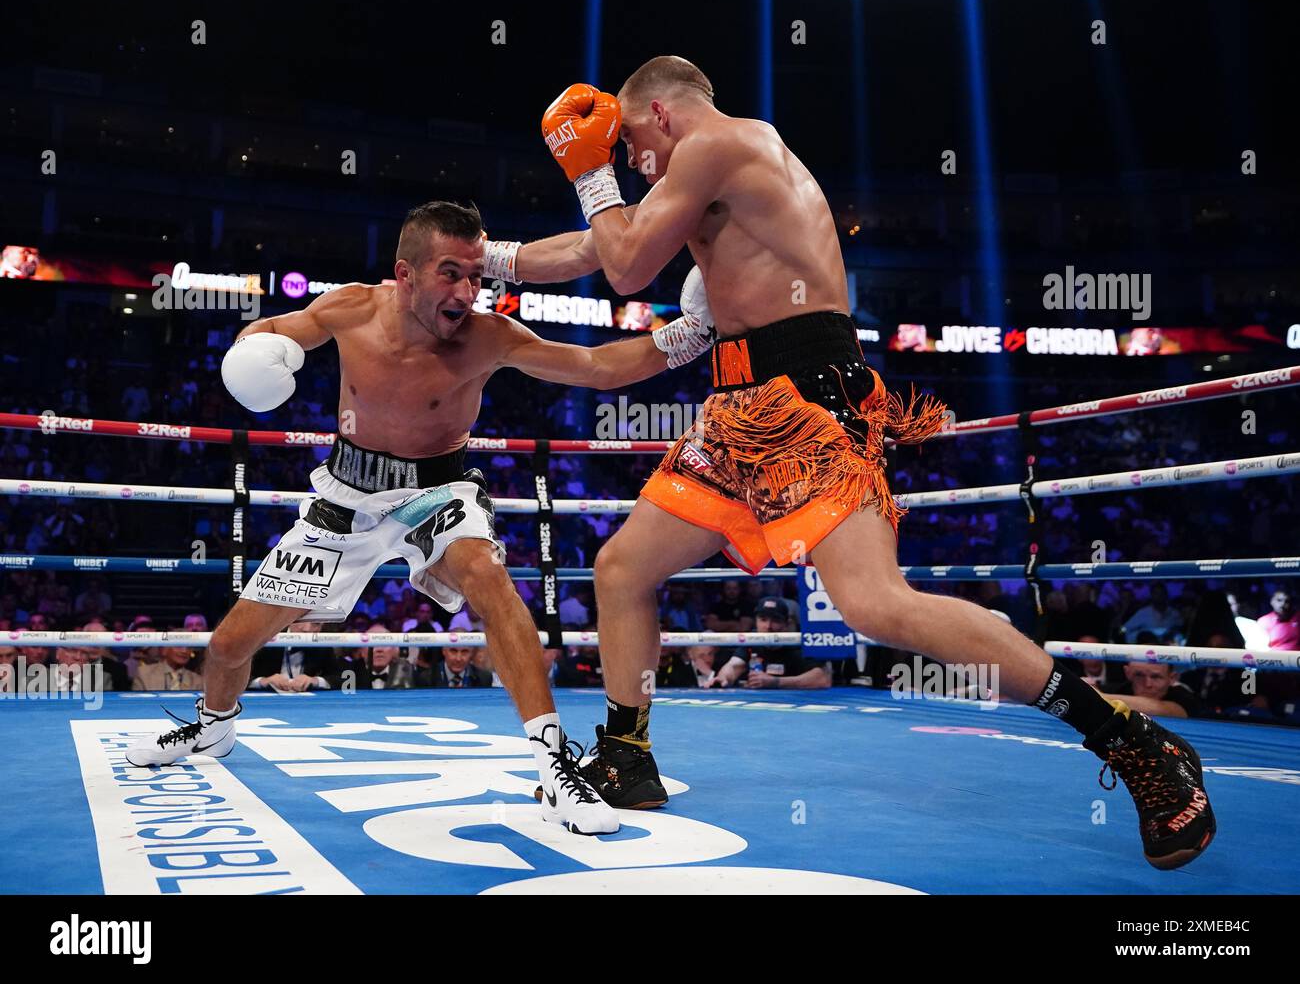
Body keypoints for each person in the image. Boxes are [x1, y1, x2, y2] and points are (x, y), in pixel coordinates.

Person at [520, 55, 1213, 867]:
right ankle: (628, 754)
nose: (635, 161)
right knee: (624, 566)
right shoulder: (703, 176)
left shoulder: (721, 143)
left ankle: (1130, 741)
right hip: (739, 406)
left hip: (806, 398)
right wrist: (483, 261)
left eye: (633, 140)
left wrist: (587, 168)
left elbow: (626, 261)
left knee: (877, 605)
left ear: (664, 113)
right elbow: (589, 251)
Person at [126, 199, 716, 836]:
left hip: (438, 489)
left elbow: (597, 368)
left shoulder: (490, 336)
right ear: (404, 274)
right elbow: (276, 328)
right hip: (345, 497)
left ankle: (554, 766)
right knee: (229, 645)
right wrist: (250, 349)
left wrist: (690, 334)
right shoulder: (352, 308)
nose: (467, 291)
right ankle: (214, 729)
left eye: (475, 275)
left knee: (489, 577)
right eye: (450, 274)